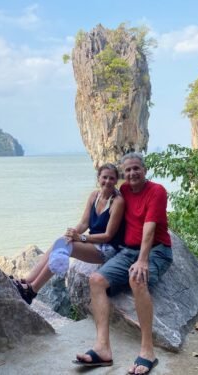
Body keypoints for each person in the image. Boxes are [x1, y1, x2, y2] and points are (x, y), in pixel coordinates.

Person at [73, 152, 172, 375]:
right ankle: (102, 349)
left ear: (145, 170)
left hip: (157, 251)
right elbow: (107, 207)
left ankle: (147, 351)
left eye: (136, 168)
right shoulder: (124, 191)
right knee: (96, 280)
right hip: (127, 251)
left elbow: (149, 229)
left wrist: (143, 260)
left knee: (137, 278)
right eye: (127, 170)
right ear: (123, 176)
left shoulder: (157, 191)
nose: (132, 173)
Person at [12, 163, 125, 305]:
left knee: (65, 248)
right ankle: (27, 281)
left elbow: (108, 235)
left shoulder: (117, 202)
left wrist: (81, 238)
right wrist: (72, 233)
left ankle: (32, 290)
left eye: (111, 178)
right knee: (60, 242)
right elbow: (84, 223)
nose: (107, 181)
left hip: (107, 248)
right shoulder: (94, 196)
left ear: (116, 181)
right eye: (104, 177)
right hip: (93, 243)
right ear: (98, 178)